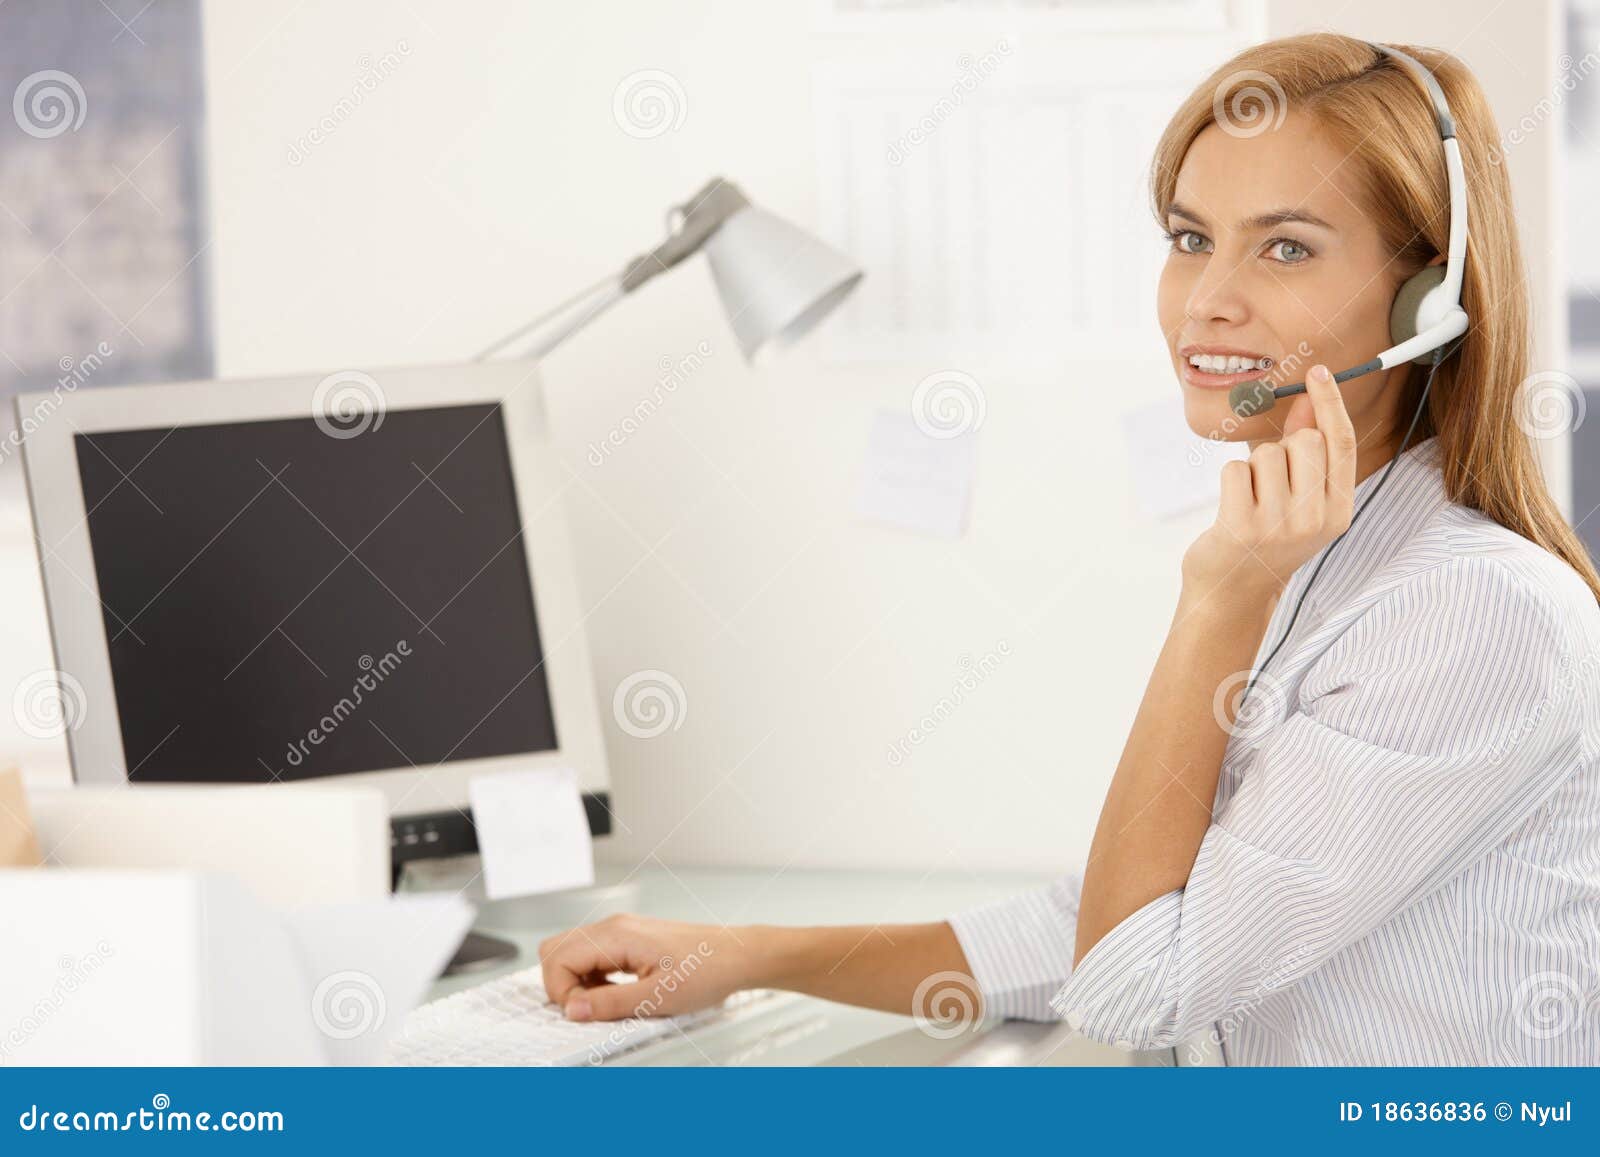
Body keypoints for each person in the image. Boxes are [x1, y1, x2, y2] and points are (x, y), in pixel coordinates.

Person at [537, 33, 1600, 1064]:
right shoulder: (1315, 556)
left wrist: (1213, 602)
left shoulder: (1472, 613)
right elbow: (1100, 922)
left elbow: (1133, 980)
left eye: (1284, 246)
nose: (1206, 298)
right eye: (1191, 238)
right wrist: (743, 955)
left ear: (1428, 299)